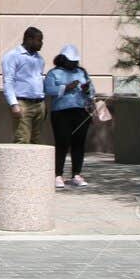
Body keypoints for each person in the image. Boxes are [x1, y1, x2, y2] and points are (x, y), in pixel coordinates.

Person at [44, 44, 95, 189]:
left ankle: (76, 174)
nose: (72, 63)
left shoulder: (82, 72)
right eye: (69, 61)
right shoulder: (54, 73)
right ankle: (58, 175)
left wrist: (86, 89)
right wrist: (66, 87)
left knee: (78, 144)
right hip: (61, 112)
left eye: (74, 61)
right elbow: (47, 89)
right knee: (62, 143)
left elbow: (92, 91)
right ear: (62, 59)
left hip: (80, 111)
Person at [1, 26, 47, 143]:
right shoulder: (12, 56)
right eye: (39, 40)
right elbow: (8, 81)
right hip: (22, 103)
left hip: (39, 104)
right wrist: (13, 104)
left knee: (36, 141)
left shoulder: (39, 59)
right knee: (22, 140)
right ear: (29, 39)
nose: (41, 43)